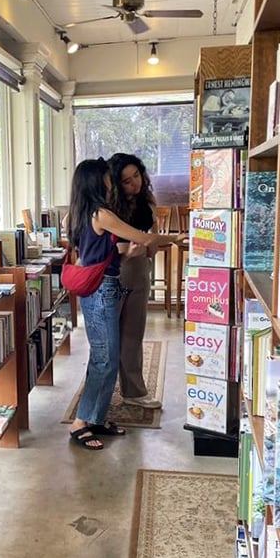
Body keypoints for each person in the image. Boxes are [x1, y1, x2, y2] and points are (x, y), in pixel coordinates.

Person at [66, 157, 166, 451]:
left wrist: (131, 254)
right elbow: (142, 237)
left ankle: (95, 418)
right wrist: (181, 237)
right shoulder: (101, 214)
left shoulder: (84, 212)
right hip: (101, 292)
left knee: (106, 358)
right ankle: (80, 422)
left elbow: (99, 254)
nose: (111, 180)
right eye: (107, 177)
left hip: (105, 287)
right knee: (104, 358)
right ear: (97, 182)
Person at [109, 152, 165, 409]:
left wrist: (151, 245)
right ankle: (100, 395)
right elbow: (98, 246)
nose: (135, 183)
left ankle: (134, 391)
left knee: (133, 332)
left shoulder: (146, 199)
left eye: (137, 176)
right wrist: (130, 248)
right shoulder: (108, 205)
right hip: (114, 269)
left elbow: (152, 231)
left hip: (141, 266)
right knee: (107, 338)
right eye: (127, 180)